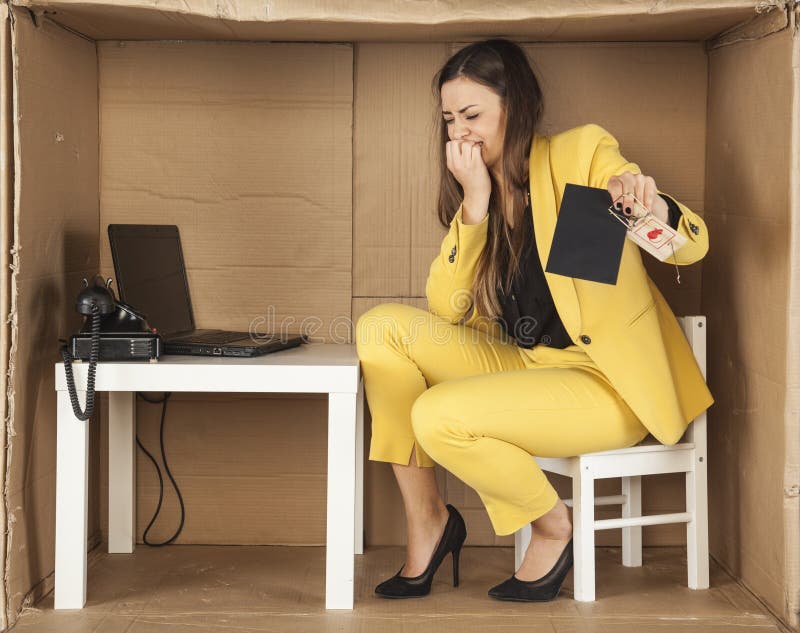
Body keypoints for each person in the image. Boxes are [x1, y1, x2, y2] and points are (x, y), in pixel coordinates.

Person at [355, 38, 713, 603]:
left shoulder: (579, 156)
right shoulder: (480, 196)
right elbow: (447, 308)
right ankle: (428, 518)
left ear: (514, 106)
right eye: (449, 120)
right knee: (380, 328)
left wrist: (650, 206)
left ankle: (551, 524)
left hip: (604, 383)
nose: (459, 133)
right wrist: (475, 205)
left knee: (436, 415)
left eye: (472, 115)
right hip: (525, 363)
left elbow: (688, 248)